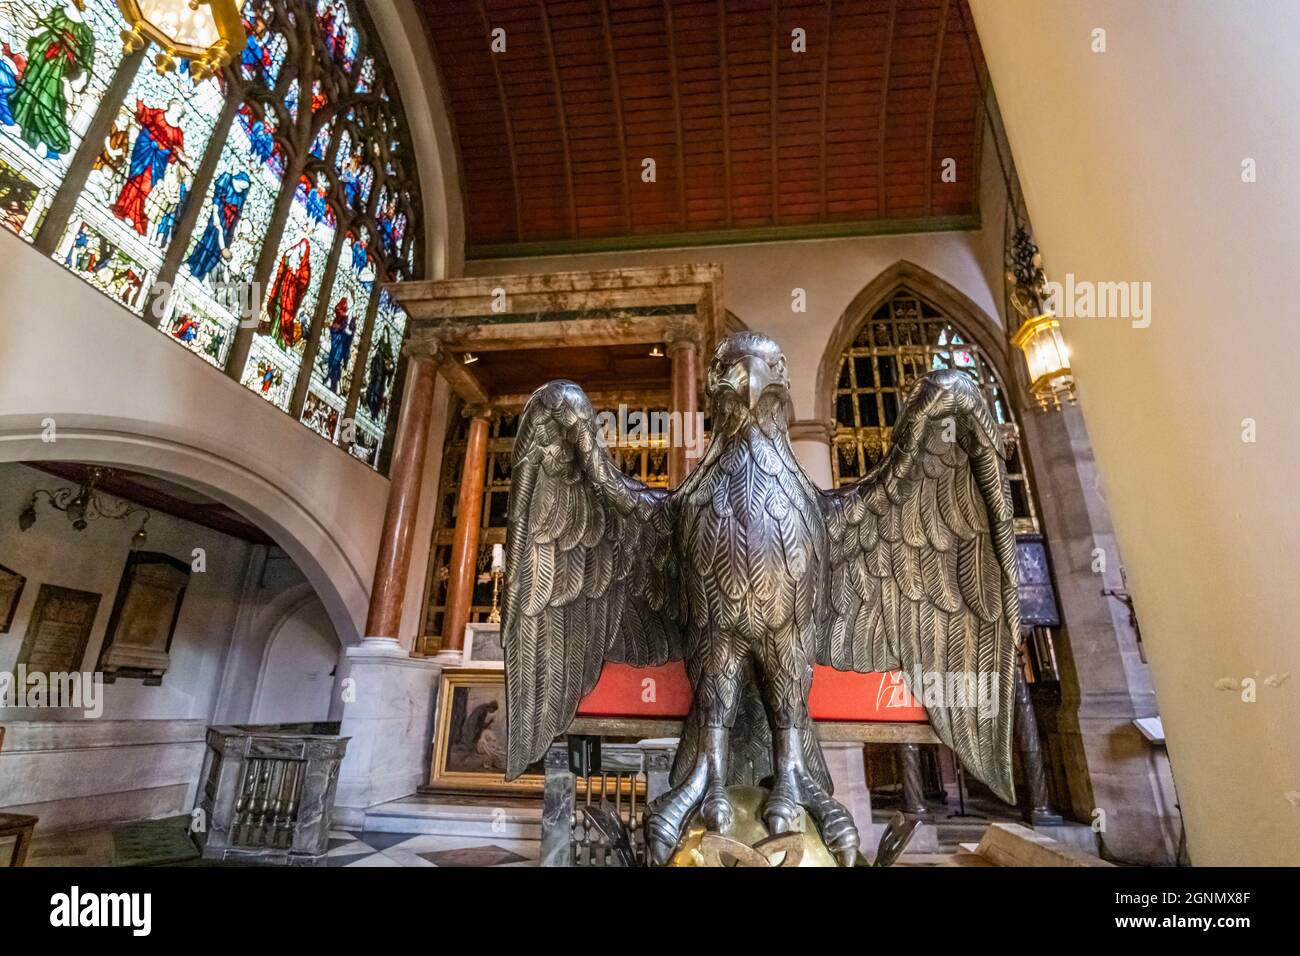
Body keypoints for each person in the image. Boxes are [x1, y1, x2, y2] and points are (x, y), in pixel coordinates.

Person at [8, 1, 94, 158]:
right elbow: (42, 28)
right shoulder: (58, 11)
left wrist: (79, 79)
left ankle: (41, 137)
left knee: (49, 101)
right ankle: (20, 123)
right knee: (29, 90)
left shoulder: (86, 33)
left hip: (59, 70)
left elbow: (86, 62)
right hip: (41, 58)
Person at [112, 99, 187, 235]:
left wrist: (178, 155)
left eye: (179, 110)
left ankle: (136, 218)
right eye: (175, 107)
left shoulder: (178, 133)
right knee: (134, 181)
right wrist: (140, 101)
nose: (176, 110)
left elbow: (177, 150)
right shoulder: (158, 114)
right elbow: (145, 115)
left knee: (146, 189)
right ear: (171, 106)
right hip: (144, 151)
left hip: (158, 162)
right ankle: (123, 208)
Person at [187, 170, 250, 281]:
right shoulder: (226, 181)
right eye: (244, 183)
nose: (245, 186)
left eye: (246, 186)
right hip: (217, 218)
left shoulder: (241, 198)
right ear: (240, 179)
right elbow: (217, 199)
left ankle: (202, 273)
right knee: (207, 241)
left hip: (226, 226)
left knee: (216, 250)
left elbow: (235, 216)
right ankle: (193, 265)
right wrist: (215, 215)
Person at [324, 297, 354, 393]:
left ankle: (333, 382)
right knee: (333, 358)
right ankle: (329, 379)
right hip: (337, 337)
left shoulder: (350, 316)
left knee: (337, 361)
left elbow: (350, 330)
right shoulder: (343, 310)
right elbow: (338, 311)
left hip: (342, 340)